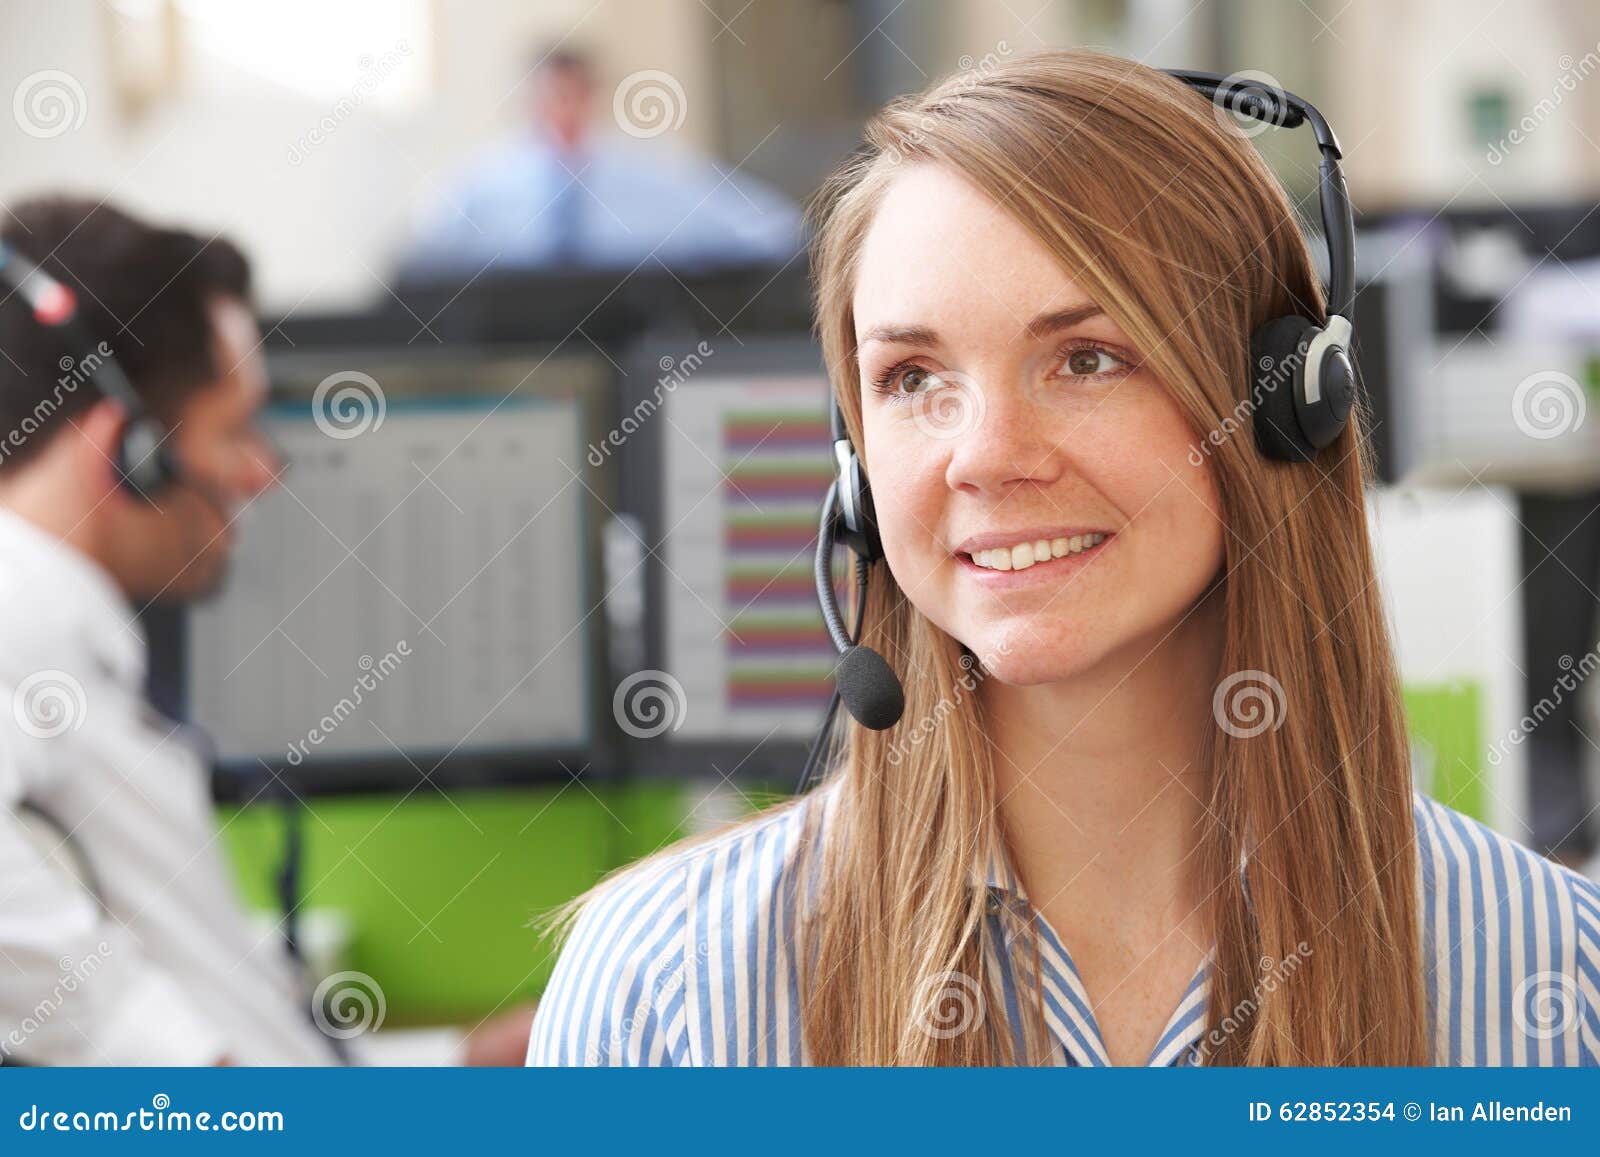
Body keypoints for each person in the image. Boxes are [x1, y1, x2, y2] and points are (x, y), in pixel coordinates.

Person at [527, 50, 1600, 1067]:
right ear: (855, 468)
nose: (985, 456)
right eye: (911, 377)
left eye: (1086, 359)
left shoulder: (1547, 981)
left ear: (1281, 404)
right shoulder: (670, 995)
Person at [0, 197, 531, 1065]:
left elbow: (242, 1032)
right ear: (128, 452)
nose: (264, 472)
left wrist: (465, 1065)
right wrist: (198, 1077)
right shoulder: (13, 617)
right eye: (236, 428)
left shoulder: (74, 647)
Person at [401, 46, 803, 278]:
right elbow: (422, 263)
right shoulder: (480, 185)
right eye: (552, 95)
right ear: (529, 101)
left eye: (575, 94)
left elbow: (768, 227)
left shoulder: (654, 170)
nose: (564, 109)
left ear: (594, 95)